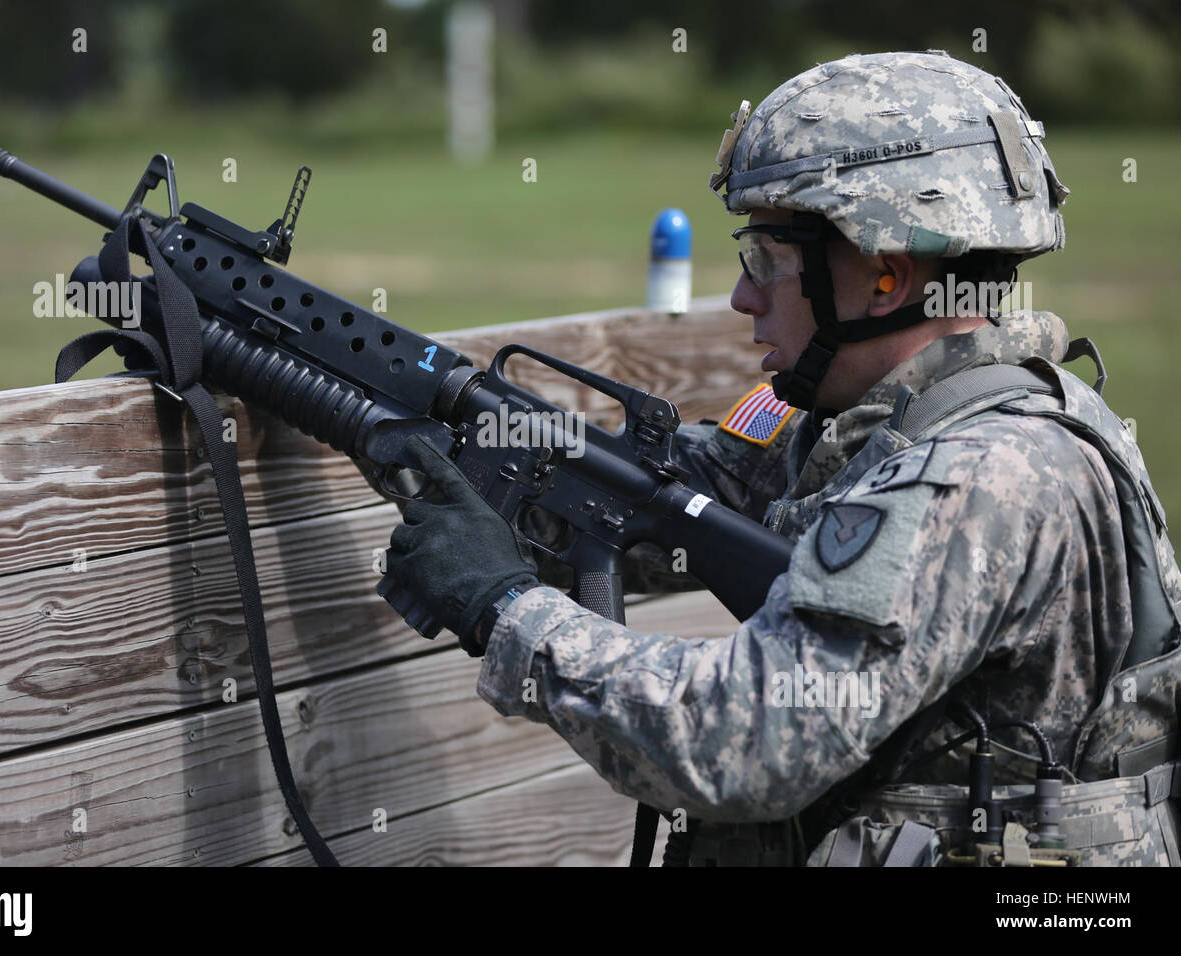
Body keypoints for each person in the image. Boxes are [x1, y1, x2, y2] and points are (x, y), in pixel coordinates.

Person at [379, 51, 1181, 866]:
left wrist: (505, 609)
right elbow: (680, 494)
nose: (741, 297)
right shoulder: (895, 422)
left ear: (884, 278)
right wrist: (481, 449)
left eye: (767, 262)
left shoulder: (976, 477)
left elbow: (743, 744)